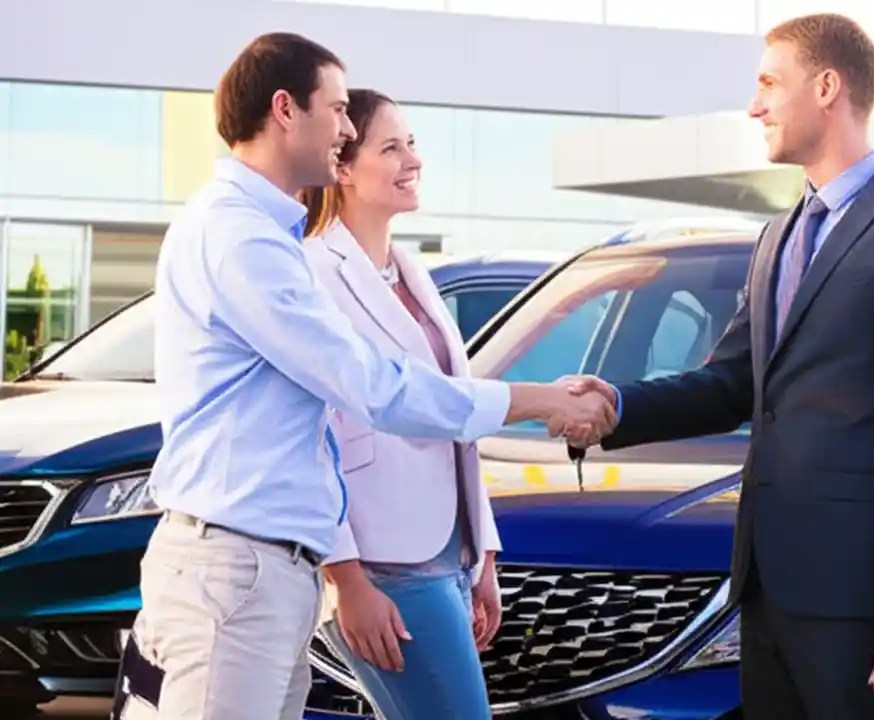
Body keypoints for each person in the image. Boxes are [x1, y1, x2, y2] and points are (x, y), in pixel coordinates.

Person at [131, 33, 613, 720]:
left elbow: (320, 430)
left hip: (266, 570)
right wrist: (539, 401)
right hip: (238, 569)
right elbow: (372, 388)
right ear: (285, 110)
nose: (347, 126)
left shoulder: (261, 233)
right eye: (336, 109)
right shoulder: (241, 238)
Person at [561, 13, 874, 719]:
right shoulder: (778, 236)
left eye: (768, 84)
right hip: (765, 592)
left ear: (826, 87)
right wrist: (614, 406)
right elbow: (732, 383)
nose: (754, 106)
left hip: (861, 602)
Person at [297, 88, 498, 718]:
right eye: (391, 147)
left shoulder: (409, 269)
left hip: (444, 551)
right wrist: (346, 580)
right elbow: (310, 436)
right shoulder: (311, 271)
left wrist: (481, 551)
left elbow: (453, 417)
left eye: (412, 143)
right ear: (344, 168)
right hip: (381, 560)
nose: (413, 159)